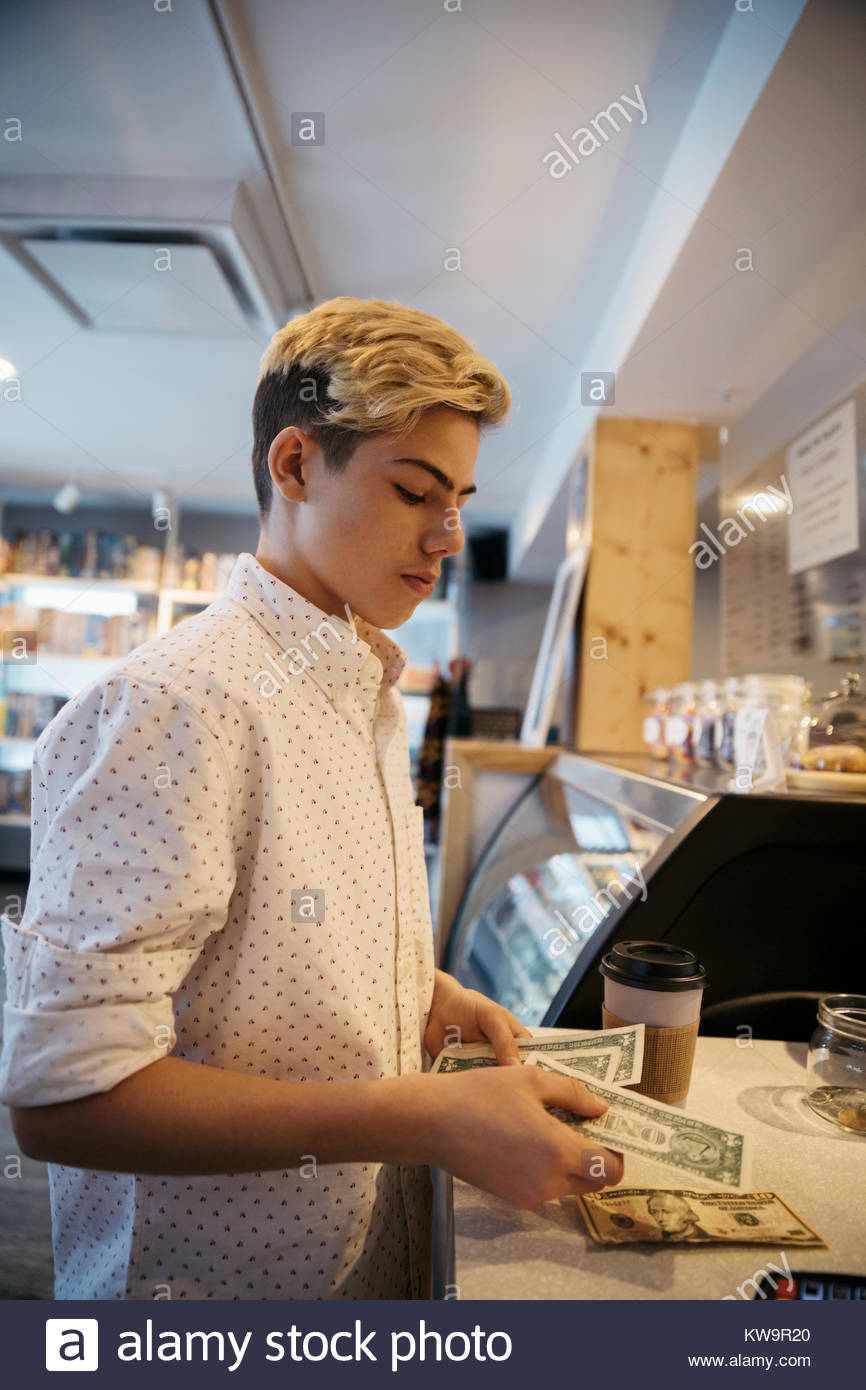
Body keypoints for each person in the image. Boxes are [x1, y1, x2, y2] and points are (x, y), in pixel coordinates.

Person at [0, 296, 623, 1301]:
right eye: (416, 491)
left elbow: (272, 940)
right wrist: (422, 1118)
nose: (449, 534)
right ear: (294, 465)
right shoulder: (173, 703)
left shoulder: (363, 684)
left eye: (458, 496)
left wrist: (421, 993)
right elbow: (66, 1098)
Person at [646, 1193, 713, 1241]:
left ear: (686, 1215)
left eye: (666, 1212)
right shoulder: (651, 1237)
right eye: (654, 1212)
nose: (659, 1218)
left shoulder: (714, 1242)